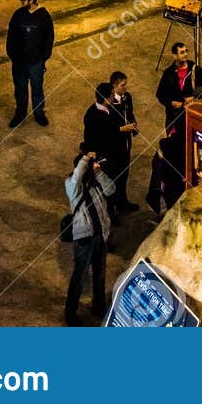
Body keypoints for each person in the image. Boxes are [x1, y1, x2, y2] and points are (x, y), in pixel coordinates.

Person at [63, 147, 115, 325]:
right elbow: (77, 177)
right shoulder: (72, 186)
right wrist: (85, 160)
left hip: (100, 236)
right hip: (84, 239)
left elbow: (111, 189)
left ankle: (99, 306)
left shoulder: (95, 184)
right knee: (79, 277)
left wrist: (99, 173)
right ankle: (70, 313)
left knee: (100, 274)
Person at [155, 40, 202, 207]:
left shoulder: (195, 70)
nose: (185, 55)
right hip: (174, 117)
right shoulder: (168, 73)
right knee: (176, 148)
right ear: (174, 55)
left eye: (186, 51)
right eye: (181, 52)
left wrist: (193, 97)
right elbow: (160, 94)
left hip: (192, 116)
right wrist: (171, 102)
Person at [6, 0, 54, 127]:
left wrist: (43, 57)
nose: (22, 2)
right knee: (20, 89)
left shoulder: (43, 16)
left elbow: (49, 38)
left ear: (31, 1)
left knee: (37, 88)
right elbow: (11, 35)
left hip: (36, 62)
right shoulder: (18, 15)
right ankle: (20, 113)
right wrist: (12, 54)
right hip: (19, 62)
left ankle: (39, 114)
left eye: (24, 0)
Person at [108, 71, 139, 213]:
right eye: (123, 85)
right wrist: (122, 128)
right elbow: (107, 127)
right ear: (114, 86)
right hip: (115, 145)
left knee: (124, 174)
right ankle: (112, 208)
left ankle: (122, 202)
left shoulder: (127, 97)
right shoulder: (109, 103)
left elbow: (130, 113)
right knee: (114, 176)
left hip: (126, 143)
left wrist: (133, 123)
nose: (126, 87)